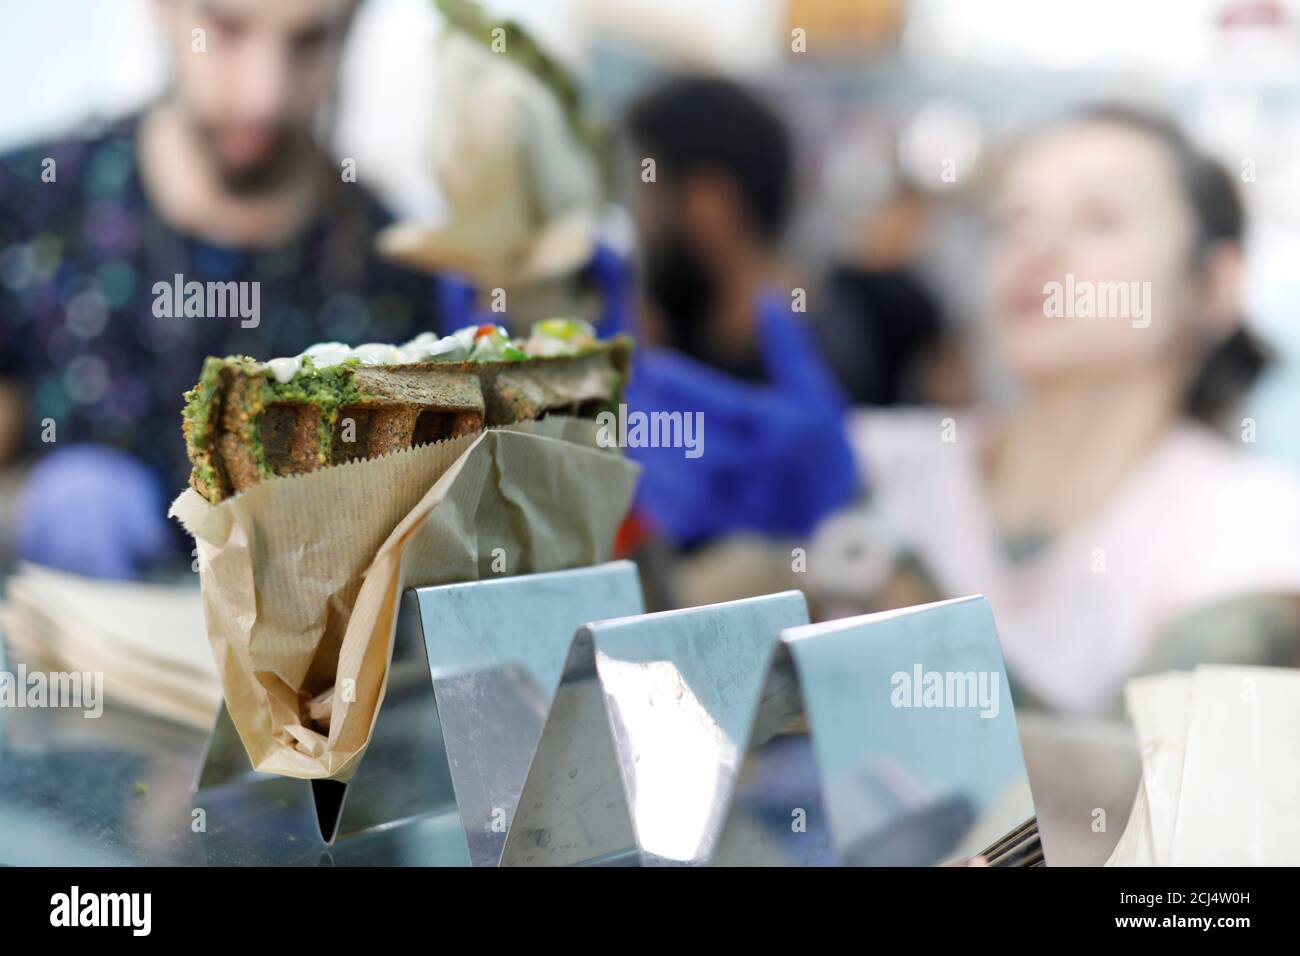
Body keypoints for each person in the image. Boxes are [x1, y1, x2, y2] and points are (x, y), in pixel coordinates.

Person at [811, 105, 1300, 717]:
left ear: (1217, 284)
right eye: (1014, 220)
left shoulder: (1258, 529)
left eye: (1100, 219)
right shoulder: (871, 460)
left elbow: (1123, 792)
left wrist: (882, 573)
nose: (1037, 247)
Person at [0, 0, 444, 577]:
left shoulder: (397, 264)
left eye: (309, 43)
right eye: (227, 29)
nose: (265, 96)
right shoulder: (32, 208)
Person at [619, 76, 856, 548]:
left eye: (652, 189)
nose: (640, 217)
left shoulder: (824, 352)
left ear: (711, 204)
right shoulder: (676, 332)